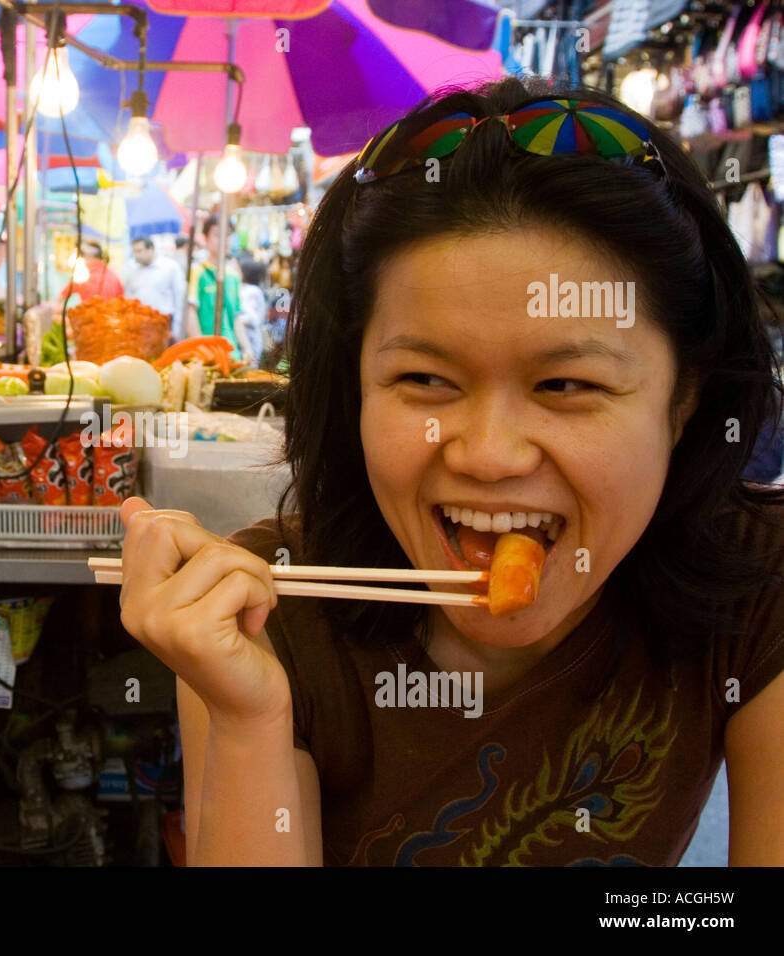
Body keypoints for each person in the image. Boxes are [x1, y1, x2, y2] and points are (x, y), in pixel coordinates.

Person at [116, 79, 784, 866]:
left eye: (566, 386)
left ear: (684, 403)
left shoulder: (755, 581)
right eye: (426, 381)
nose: (488, 455)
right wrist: (245, 721)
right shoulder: (269, 604)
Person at [186, 215, 240, 348]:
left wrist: (247, 349)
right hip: (205, 352)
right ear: (205, 238)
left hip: (231, 352)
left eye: (228, 235)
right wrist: (201, 348)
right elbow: (190, 313)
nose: (224, 240)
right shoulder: (198, 271)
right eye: (217, 235)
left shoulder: (234, 276)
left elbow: (236, 317)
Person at [123, 236, 186, 338]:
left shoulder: (170, 267)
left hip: (164, 323)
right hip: (139, 326)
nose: (137, 255)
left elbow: (179, 298)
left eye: (139, 251)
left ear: (151, 249)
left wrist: (176, 329)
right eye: (134, 252)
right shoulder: (132, 272)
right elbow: (128, 300)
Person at [56, 240, 123, 307]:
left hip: (89, 316)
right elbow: (121, 300)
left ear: (88, 255)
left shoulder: (82, 274)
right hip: (111, 316)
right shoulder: (114, 275)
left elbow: (61, 297)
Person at [235, 256, 268, 367]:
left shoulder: (252, 291)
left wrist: (236, 320)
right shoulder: (246, 288)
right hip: (245, 339)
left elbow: (253, 318)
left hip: (250, 339)